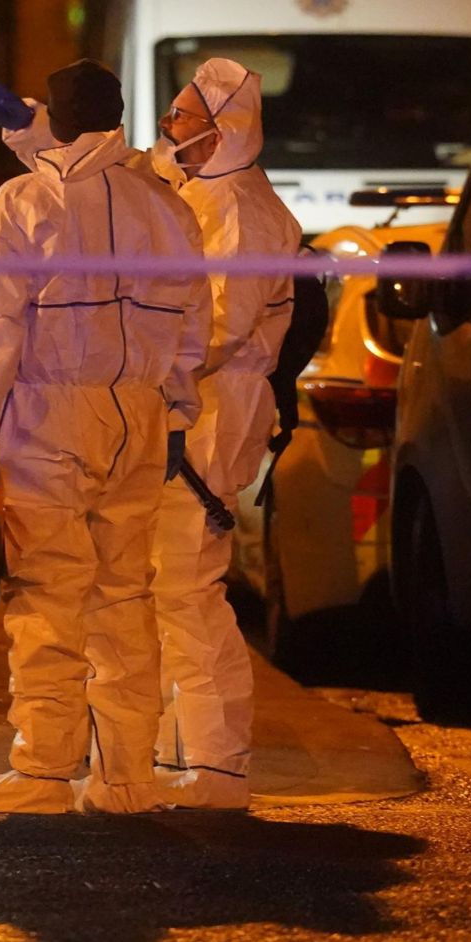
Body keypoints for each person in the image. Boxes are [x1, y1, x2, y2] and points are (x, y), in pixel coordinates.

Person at [0, 59, 211, 816]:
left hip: (49, 414)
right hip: (140, 415)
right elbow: (194, 322)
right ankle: (127, 776)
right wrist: (177, 411)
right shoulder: (167, 207)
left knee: (48, 596)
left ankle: (43, 774)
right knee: (125, 597)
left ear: (56, 119)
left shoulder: (24, 201)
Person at [142, 58, 302, 810]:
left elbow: (219, 328)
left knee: (187, 588)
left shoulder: (242, 210)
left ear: (220, 129)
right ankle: (186, 754)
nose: (168, 129)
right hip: (188, 408)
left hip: (207, 418)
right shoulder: (205, 192)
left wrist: (141, 366)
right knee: (168, 588)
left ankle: (217, 762)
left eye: (180, 118)